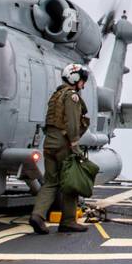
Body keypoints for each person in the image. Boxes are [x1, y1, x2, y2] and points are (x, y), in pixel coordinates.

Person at [28, 63, 91, 234]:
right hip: (64, 143)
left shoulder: (56, 95)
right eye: (82, 81)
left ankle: (38, 215)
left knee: (50, 182)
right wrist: (75, 145)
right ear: (76, 79)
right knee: (71, 182)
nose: (83, 85)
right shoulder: (72, 97)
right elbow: (72, 124)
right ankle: (68, 221)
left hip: (49, 143)